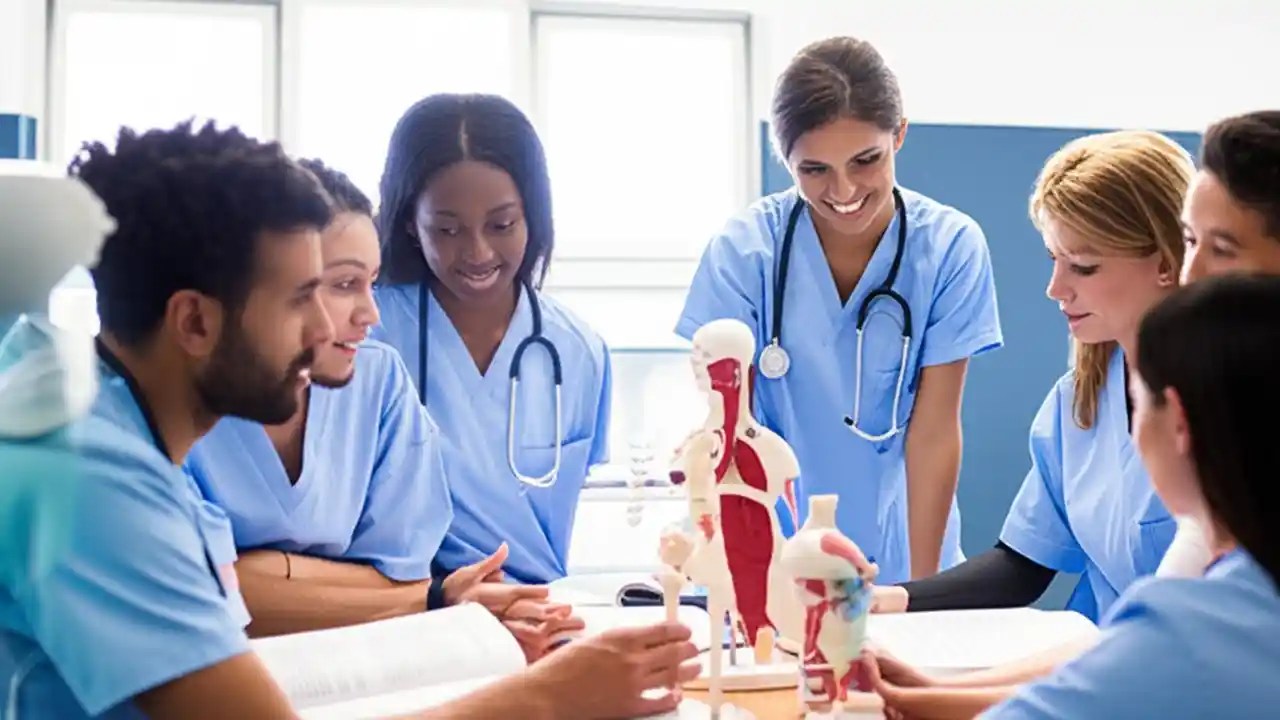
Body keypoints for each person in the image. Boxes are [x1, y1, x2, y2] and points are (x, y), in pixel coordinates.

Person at [0, 120, 698, 720]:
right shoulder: (89, 479)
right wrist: (551, 696)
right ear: (195, 321)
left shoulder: (113, 426)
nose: (336, 326)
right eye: (306, 296)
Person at [184, 159, 573, 650]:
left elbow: (400, 577)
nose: (370, 313)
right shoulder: (170, 403)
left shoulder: (376, 378)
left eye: (371, 282)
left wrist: (255, 571)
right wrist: (428, 600)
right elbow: (199, 595)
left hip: (360, 658)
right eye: (344, 284)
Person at [675, 36, 1003, 584]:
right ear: (785, 160)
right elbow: (733, 431)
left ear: (899, 133)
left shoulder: (949, 247)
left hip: (904, 548)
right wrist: (750, 575)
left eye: (866, 160)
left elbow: (934, 432)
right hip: (772, 550)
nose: (844, 189)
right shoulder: (744, 252)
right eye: (814, 169)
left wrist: (920, 594)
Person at [962, 274, 1280, 718]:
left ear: (1179, 423)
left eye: (1139, 401)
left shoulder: (1194, 626)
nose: (1055, 287)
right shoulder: (1236, 601)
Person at [371, 93, 612, 585]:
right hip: (408, 612)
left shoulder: (579, 350)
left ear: (533, 215)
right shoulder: (366, 332)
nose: (477, 252)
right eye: (447, 229)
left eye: (502, 225)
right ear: (410, 226)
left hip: (539, 617)